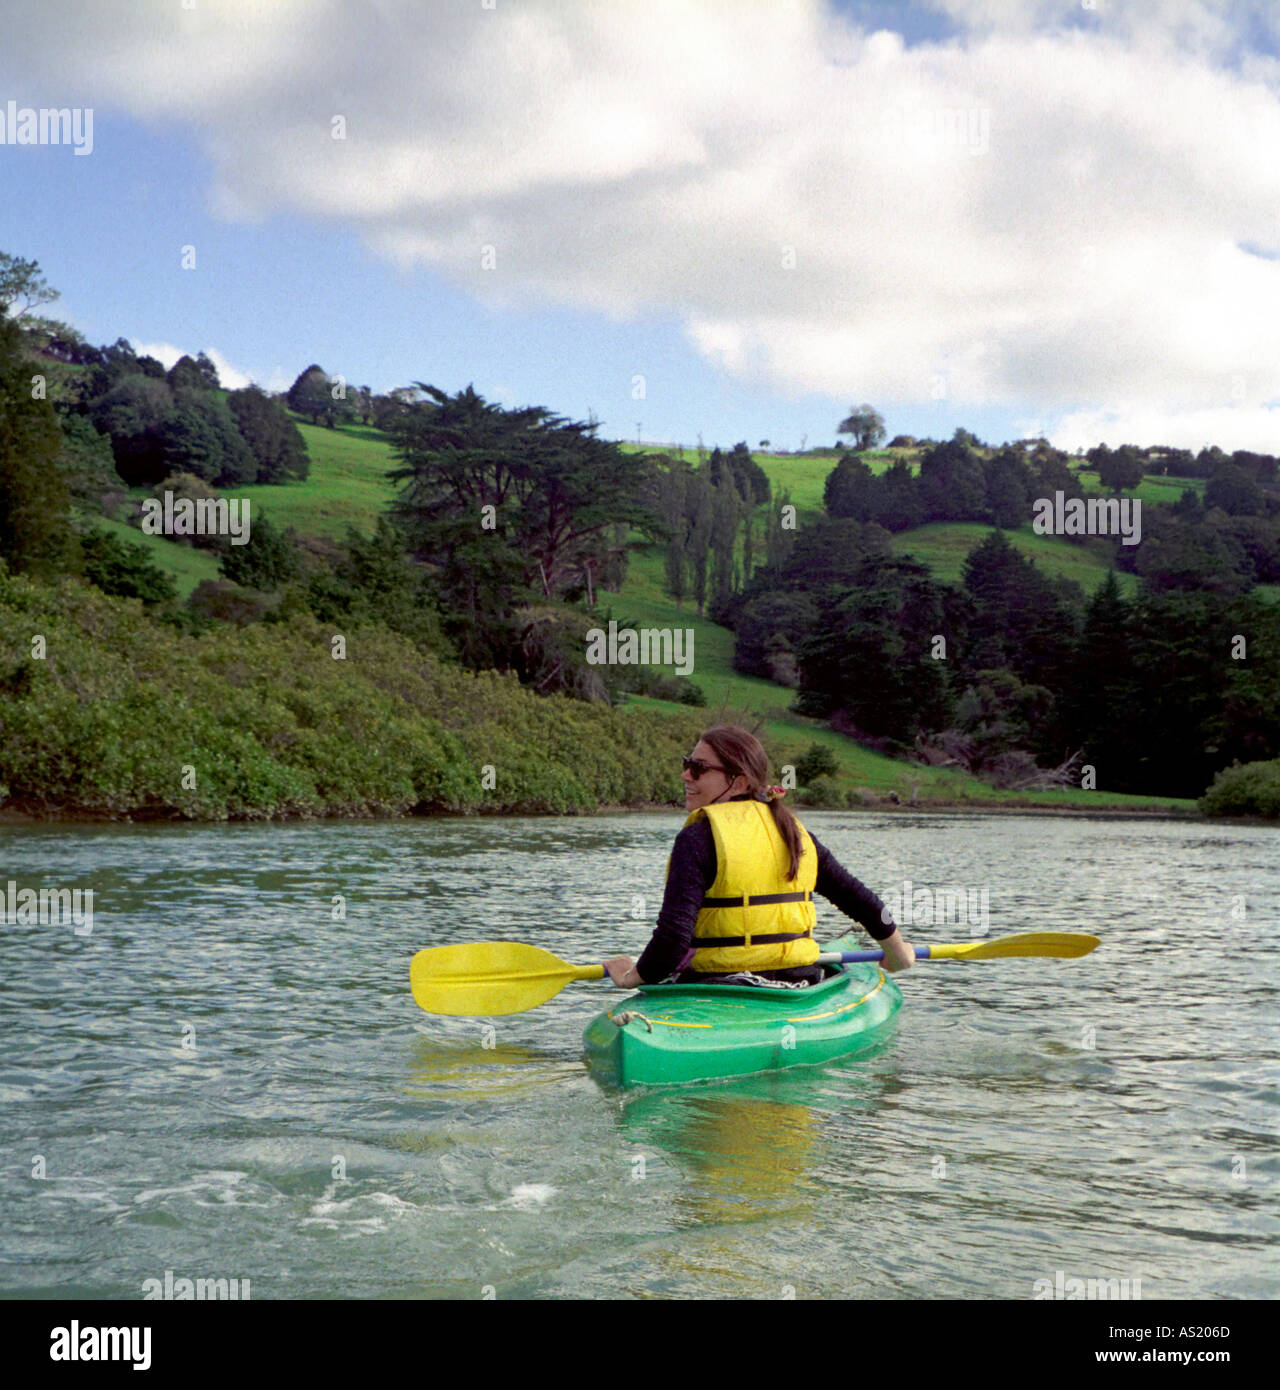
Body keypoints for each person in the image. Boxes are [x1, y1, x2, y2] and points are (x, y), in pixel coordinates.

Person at [604, 725, 915, 989]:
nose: (685, 775)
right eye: (687, 763)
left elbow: (672, 940)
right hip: (798, 983)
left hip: (718, 987)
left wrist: (632, 976)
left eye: (698, 768)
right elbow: (864, 903)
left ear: (737, 782)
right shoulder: (795, 832)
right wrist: (898, 954)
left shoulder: (698, 838)